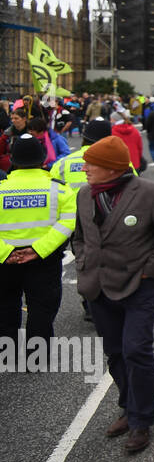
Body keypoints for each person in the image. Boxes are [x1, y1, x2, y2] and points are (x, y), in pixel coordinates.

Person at [72, 136, 154, 454]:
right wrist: (83, 262)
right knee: (116, 352)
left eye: (90, 164)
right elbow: (79, 237)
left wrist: (151, 269)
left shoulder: (152, 194)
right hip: (98, 286)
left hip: (139, 286)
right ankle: (128, 406)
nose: (84, 168)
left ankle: (141, 421)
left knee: (136, 349)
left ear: (110, 169)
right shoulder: (84, 195)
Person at [0, 134, 78, 347]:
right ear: (43, 159)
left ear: (13, 160)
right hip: (44, 260)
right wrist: (38, 249)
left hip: (5, 262)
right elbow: (68, 222)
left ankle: (8, 352)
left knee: (5, 306)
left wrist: (5, 252)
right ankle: (36, 358)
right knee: (42, 309)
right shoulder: (59, 189)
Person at [51, 117, 118, 322]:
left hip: (73, 223)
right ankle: (106, 299)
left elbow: (52, 191)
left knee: (83, 260)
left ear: (84, 138)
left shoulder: (63, 164)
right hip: (107, 221)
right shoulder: (115, 162)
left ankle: (89, 302)